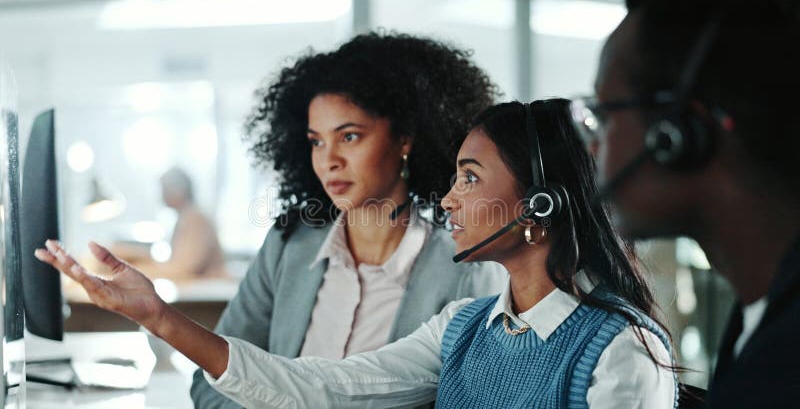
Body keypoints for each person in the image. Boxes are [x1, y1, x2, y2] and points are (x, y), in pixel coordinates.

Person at [35, 99, 677, 408]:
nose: (449, 201)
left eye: (471, 178)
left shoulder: (618, 352)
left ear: (542, 203)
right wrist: (156, 316)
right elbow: (322, 386)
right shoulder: (463, 331)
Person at [187, 32, 505, 407]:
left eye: (349, 136)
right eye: (316, 141)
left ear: (405, 138)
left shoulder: (467, 268)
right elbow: (211, 380)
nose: (329, 159)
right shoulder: (289, 246)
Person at [569, 0, 800, 406]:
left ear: (676, 134)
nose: (593, 147)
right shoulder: (758, 315)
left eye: (602, 115)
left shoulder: (784, 359)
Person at [111, 167, 227, 282]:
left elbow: (184, 269)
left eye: (164, 189)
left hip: (208, 293)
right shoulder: (186, 217)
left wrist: (140, 267)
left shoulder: (196, 220)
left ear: (178, 190)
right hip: (199, 289)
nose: (161, 195)